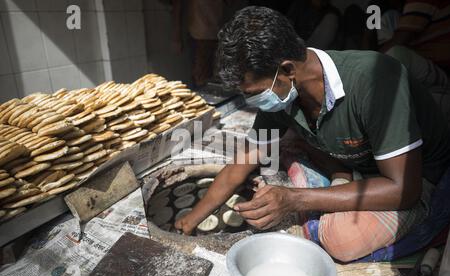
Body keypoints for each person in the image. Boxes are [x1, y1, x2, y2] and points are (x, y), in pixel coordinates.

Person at [175, 6, 450, 262]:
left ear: (287, 70)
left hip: (415, 176)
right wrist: (190, 220)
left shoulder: (375, 80)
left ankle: (342, 178)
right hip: (360, 163)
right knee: (280, 145)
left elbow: (404, 189)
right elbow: (243, 161)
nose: (251, 102)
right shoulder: (282, 93)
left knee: (340, 240)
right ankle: (340, 173)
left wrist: (294, 198)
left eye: (253, 94)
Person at [380, 0, 450, 121]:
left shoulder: (422, 2)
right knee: (390, 18)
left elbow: (397, 42)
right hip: (427, 67)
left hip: (443, 72)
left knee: (393, 54)